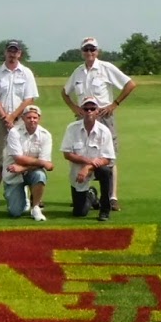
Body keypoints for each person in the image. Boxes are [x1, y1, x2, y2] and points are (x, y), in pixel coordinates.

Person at [60, 37, 135, 209]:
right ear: (82, 52)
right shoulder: (78, 71)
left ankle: (111, 197)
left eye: (92, 49)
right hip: (83, 117)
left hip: (103, 115)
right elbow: (64, 92)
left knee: (109, 158)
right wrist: (74, 107)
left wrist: (115, 103)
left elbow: (130, 84)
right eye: (86, 49)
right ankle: (85, 191)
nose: (89, 53)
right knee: (82, 154)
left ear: (97, 51)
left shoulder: (106, 68)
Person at [0, 40, 40, 209]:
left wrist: (13, 116)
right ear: (5, 53)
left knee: (27, 157)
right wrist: (5, 118)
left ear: (20, 54)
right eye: (10, 51)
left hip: (23, 121)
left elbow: (29, 98)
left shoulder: (26, 73)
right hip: (2, 122)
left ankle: (34, 196)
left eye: (15, 51)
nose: (12, 54)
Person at [61, 97, 116, 221]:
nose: (89, 111)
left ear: (97, 111)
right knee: (79, 212)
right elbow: (67, 154)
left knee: (106, 171)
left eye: (92, 108)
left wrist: (88, 167)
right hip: (78, 172)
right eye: (86, 109)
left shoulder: (104, 131)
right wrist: (88, 162)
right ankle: (91, 195)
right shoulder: (72, 128)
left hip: (96, 168)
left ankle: (105, 210)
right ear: (81, 110)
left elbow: (107, 158)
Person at [3, 104, 54, 221]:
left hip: (28, 171)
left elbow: (44, 164)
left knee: (40, 175)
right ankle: (23, 196)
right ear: (23, 118)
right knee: (15, 212)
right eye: (29, 117)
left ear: (39, 118)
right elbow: (19, 159)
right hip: (13, 174)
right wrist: (41, 162)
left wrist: (23, 169)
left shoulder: (46, 135)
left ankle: (35, 207)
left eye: (35, 117)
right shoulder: (14, 132)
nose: (32, 120)